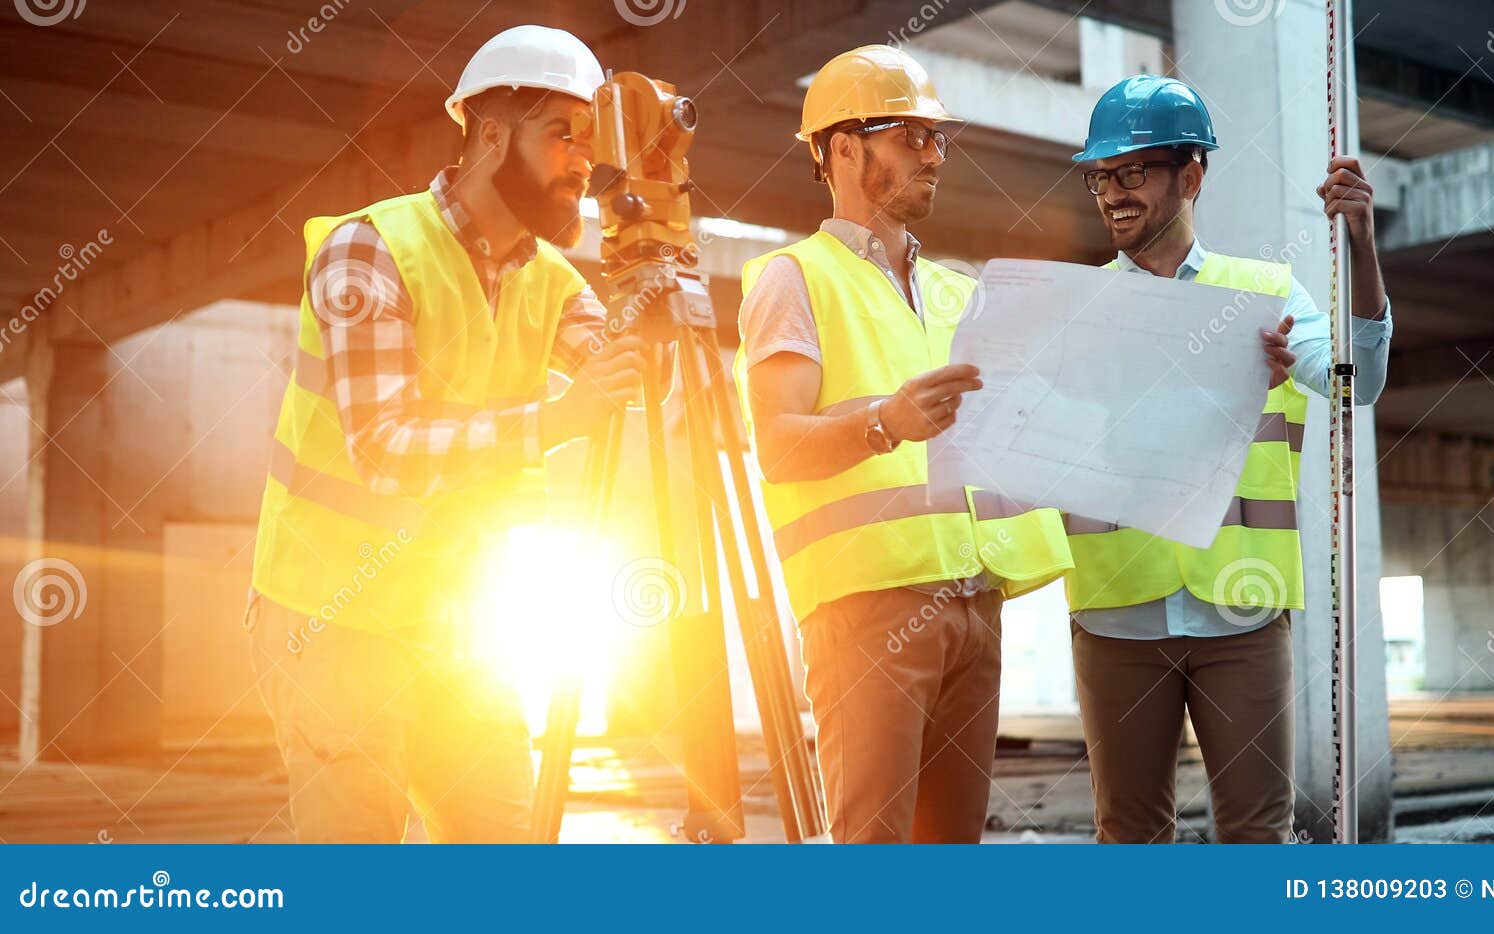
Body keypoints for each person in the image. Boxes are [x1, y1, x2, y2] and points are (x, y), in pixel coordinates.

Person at [245, 25, 642, 843]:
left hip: (462, 630)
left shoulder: (553, 281)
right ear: (490, 135)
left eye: (592, 143)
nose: (583, 163)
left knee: (503, 856)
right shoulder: (370, 251)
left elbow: (633, 377)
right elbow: (385, 447)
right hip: (335, 622)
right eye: (563, 134)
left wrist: (656, 283)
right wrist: (554, 421)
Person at [734, 45, 1074, 843]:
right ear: (843, 150)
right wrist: (885, 423)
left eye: (938, 137)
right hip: (868, 609)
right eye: (910, 136)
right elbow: (777, 445)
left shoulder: (961, 293)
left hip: (974, 603)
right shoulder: (795, 278)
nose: (935, 155)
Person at [1064, 75, 1394, 843]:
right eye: (1100, 177)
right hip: (1116, 612)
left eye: (1131, 172)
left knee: (1256, 840)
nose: (1112, 194)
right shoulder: (1073, 312)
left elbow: (1357, 383)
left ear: (1192, 176)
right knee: (1129, 839)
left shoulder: (1265, 294)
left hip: (1243, 612)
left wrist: (1363, 251)